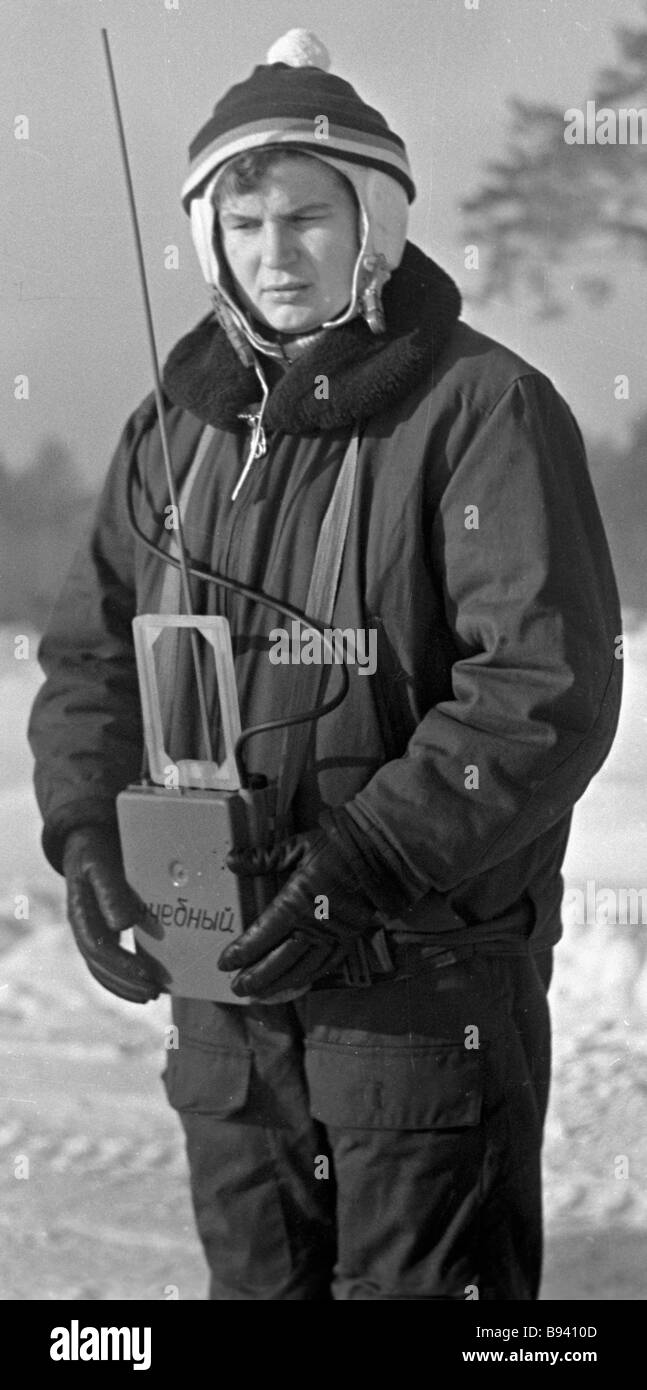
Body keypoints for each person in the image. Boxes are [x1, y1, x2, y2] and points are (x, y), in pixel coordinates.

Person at [28, 29, 622, 1301]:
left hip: (422, 989)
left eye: (309, 217)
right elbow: (91, 661)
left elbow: (540, 687)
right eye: (245, 224)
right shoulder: (171, 426)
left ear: (376, 223)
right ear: (211, 238)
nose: (276, 254)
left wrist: (363, 862)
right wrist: (86, 836)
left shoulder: (479, 408)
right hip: (228, 987)